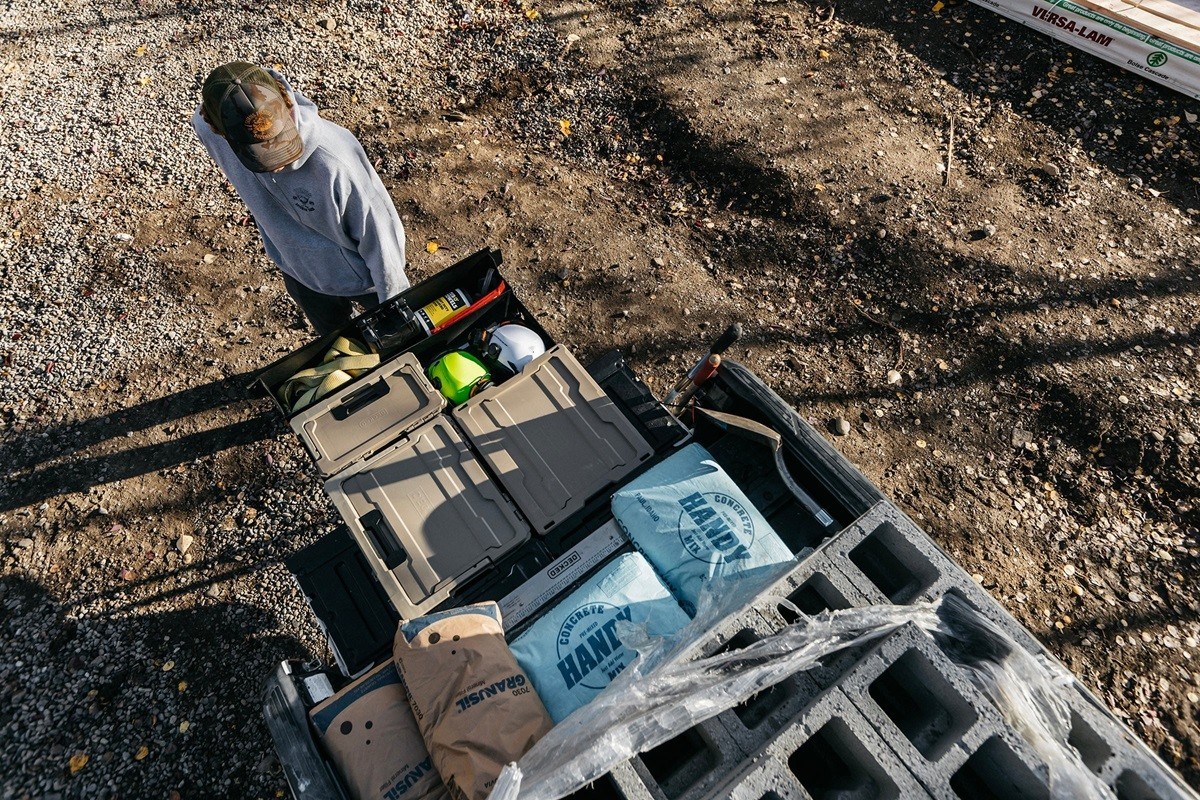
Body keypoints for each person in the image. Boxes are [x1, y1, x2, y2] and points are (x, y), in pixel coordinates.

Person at [192, 62, 409, 335]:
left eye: (280, 141)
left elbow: (380, 236)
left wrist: (395, 303)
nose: (276, 163)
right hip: (298, 270)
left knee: (399, 336)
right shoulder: (208, 127)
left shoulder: (336, 161)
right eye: (258, 153)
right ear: (218, 130)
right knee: (336, 341)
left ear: (286, 102)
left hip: (366, 279)